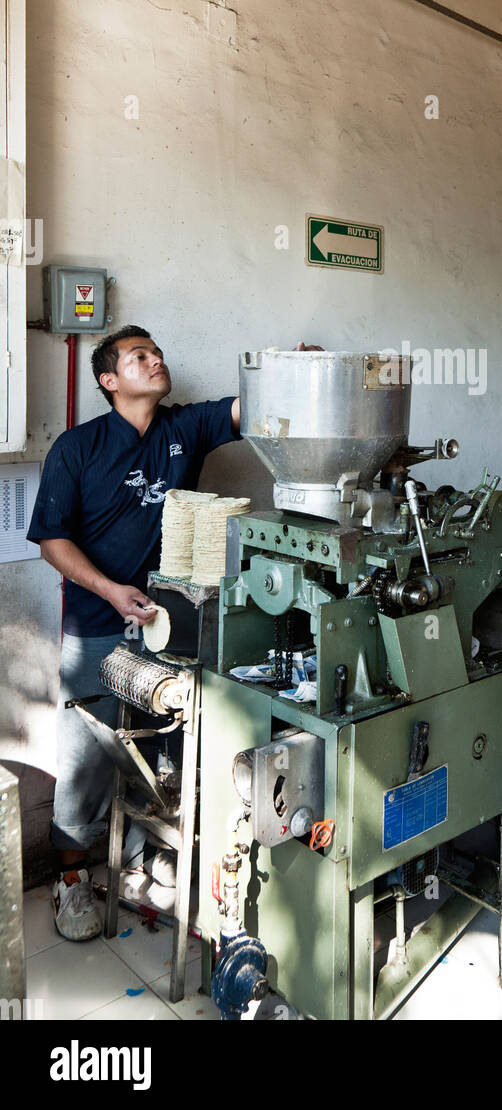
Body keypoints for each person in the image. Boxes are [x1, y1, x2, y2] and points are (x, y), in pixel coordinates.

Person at [27, 325, 245, 940]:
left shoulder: (184, 429)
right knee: (87, 756)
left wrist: (289, 372)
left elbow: (250, 408)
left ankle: (149, 858)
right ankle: (70, 880)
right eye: (138, 357)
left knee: (166, 747)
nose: (155, 361)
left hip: (173, 625)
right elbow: (52, 542)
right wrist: (110, 590)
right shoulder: (78, 447)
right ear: (108, 380)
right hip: (97, 623)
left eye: (157, 352)